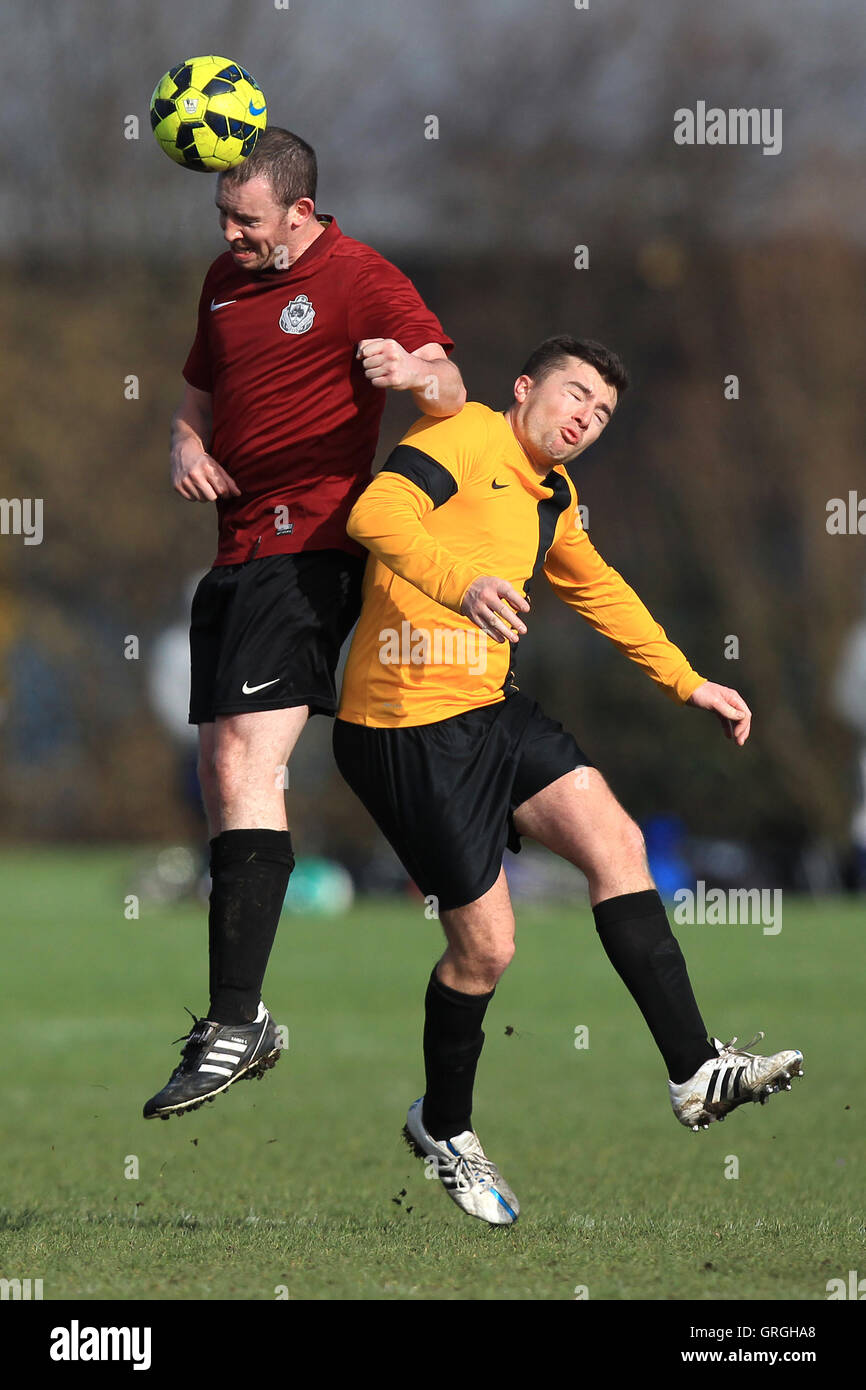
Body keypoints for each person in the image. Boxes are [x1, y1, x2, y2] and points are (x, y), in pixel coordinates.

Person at [332, 335, 804, 1225]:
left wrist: (688, 679)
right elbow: (375, 515)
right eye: (575, 395)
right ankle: (444, 1127)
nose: (585, 417)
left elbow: (602, 590)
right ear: (523, 390)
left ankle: (695, 1069)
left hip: (488, 710)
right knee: (489, 950)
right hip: (402, 727)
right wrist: (461, 582)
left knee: (618, 843)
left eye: (602, 413)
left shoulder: (555, 498)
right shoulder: (464, 436)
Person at [143, 127, 465, 1120]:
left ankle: (233, 1020)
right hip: (234, 551)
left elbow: (451, 387)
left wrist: (408, 371)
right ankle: (248, 1018)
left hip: (312, 548)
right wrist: (184, 443)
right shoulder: (223, 279)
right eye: (221, 218)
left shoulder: (362, 275)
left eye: (246, 220)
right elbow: (197, 390)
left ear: (300, 208)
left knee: (246, 761)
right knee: (220, 770)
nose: (231, 234)